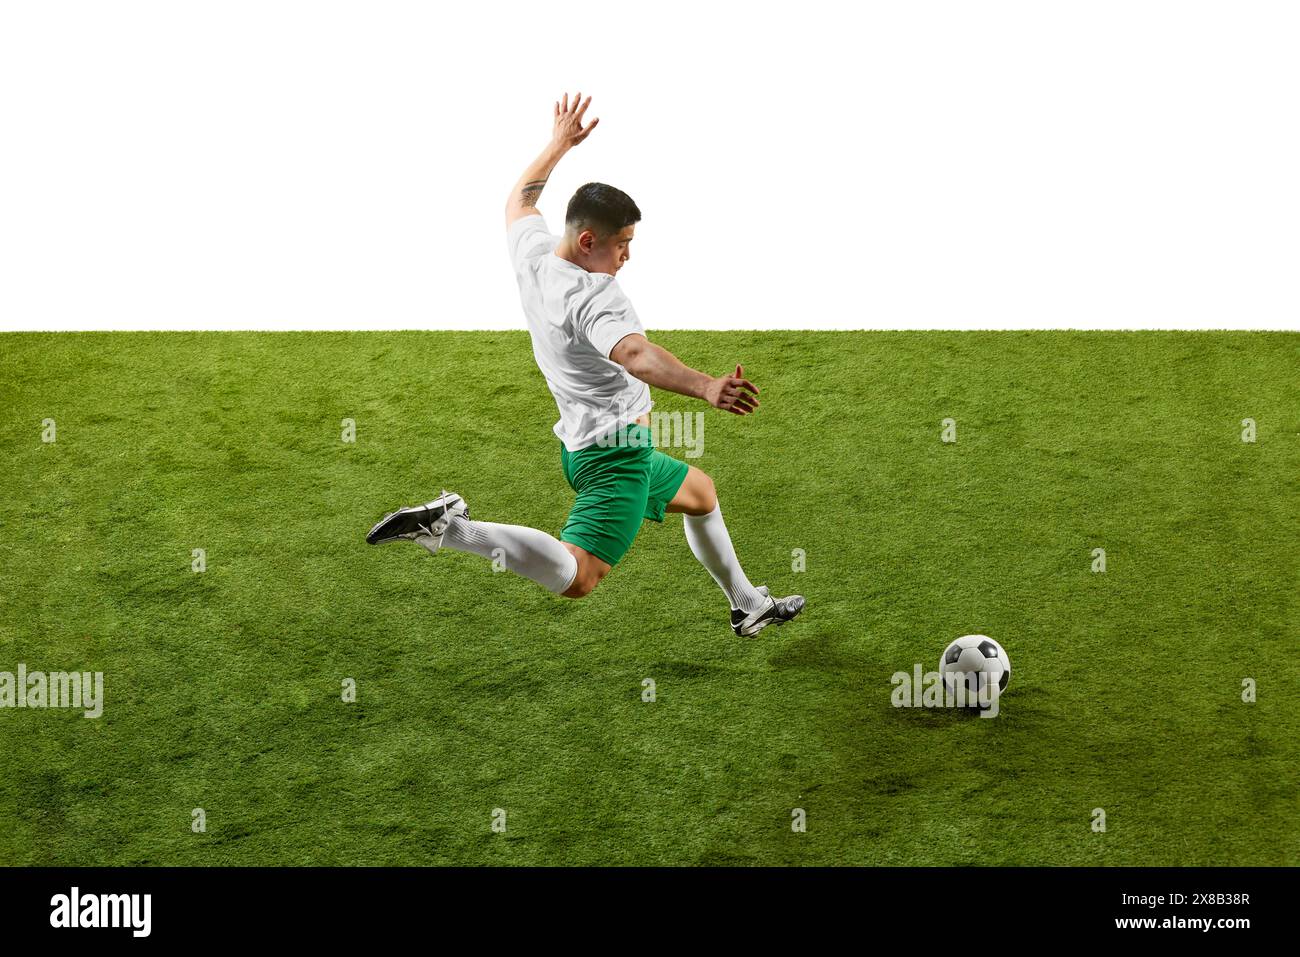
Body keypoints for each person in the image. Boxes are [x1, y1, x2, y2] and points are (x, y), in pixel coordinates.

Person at [367, 92, 803, 637]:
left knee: (700, 493)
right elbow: (637, 355)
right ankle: (450, 528)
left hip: (585, 445)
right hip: (616, 456)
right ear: (590, 240)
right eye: (622, 244)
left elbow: (517, 202)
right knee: (579, 577)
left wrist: (557, 146)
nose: (627, 256)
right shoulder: (596, 296)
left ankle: (745, 602)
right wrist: (706, 386)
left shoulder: (535, 255)